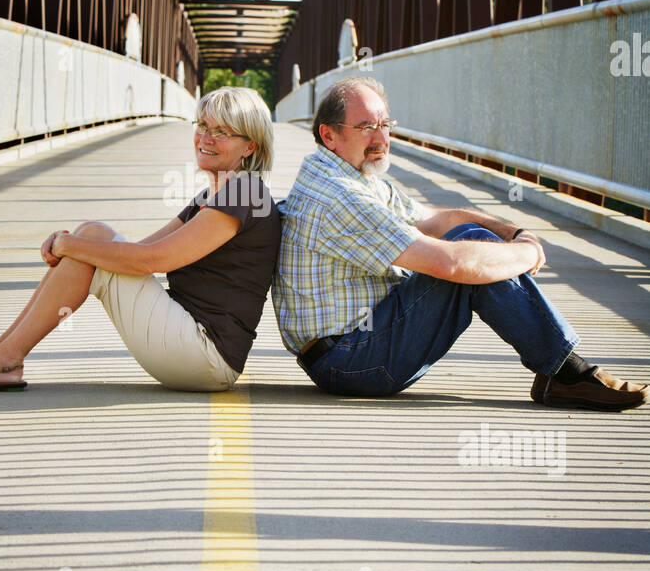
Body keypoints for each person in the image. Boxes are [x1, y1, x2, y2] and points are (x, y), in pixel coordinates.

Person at [273, 75, 647, 411]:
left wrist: (511, 233)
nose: (382, 139)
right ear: (329, 135)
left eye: (386, 125)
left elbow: (435, 219)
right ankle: (565, 372)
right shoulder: (340, 196)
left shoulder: (348, 174)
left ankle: (562, 371)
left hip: (353, 349)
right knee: (468, 252)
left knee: (475, 243)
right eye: (367, 126)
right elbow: (449, 265)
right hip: (352, 361)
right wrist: (526, 252)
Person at [0, 87, 282, 393]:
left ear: (249, 146)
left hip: (206, 355)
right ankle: (0, 354)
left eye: (221, 131)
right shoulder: (217, 194)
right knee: (93, 238)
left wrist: (70, 247)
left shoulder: (245, 193)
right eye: (202, 125)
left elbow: (150, 261)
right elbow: (137, 251)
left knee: (90, 243)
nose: (205, 137)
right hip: (188, 346)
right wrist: (75, 245)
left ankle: (4, 359)